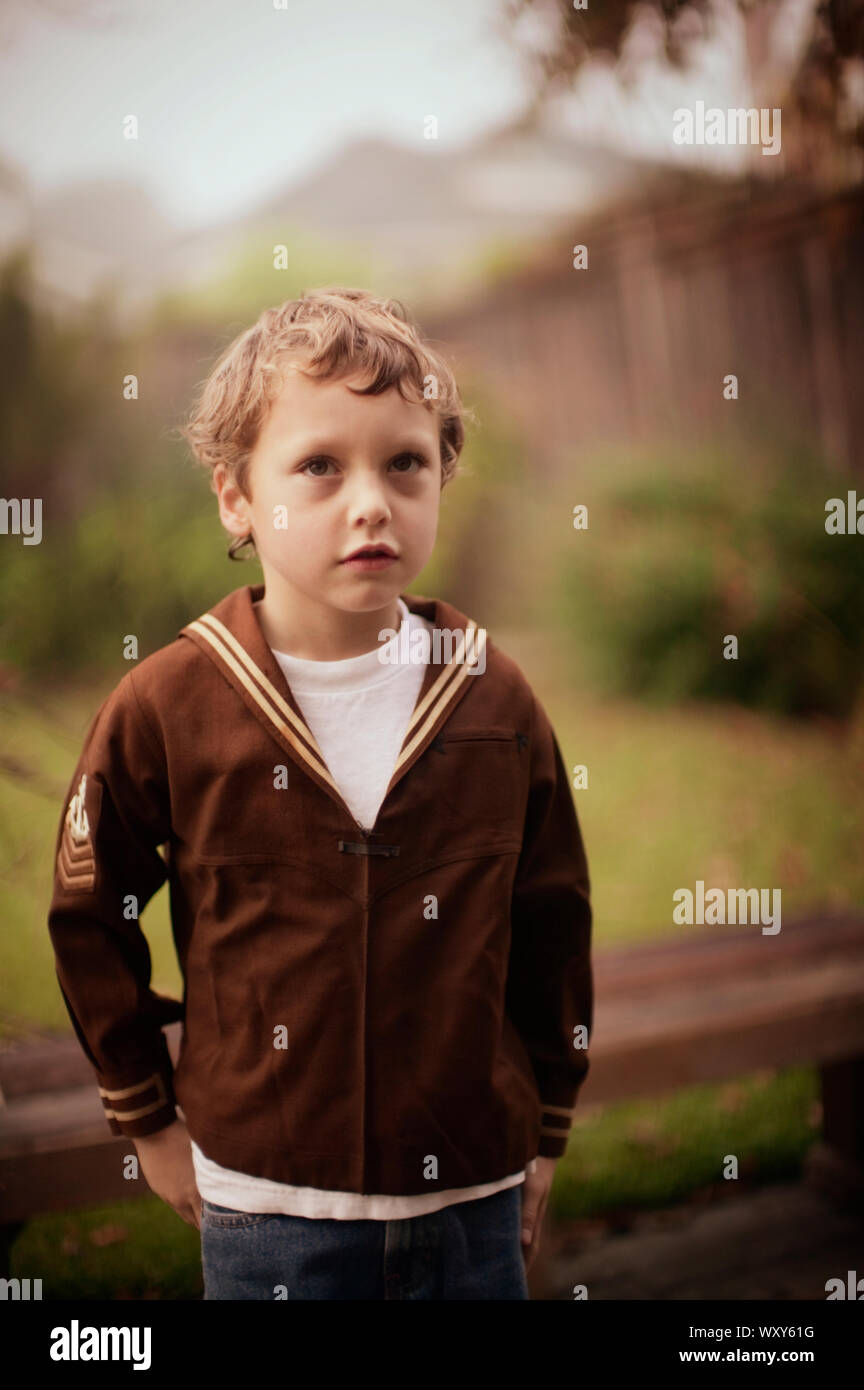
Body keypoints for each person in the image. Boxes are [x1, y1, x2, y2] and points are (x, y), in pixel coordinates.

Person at [47, 286, 593, 1300]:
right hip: (269, 1214)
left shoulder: (495, 696)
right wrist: (149, 1119)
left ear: (440, 479)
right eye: (319, 466)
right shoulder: (168, 703)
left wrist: (547, 1124)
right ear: (236, 498)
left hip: (470, 1203)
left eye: (405, 463)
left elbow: (552, 916)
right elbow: (89, 912)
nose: (371, 500)